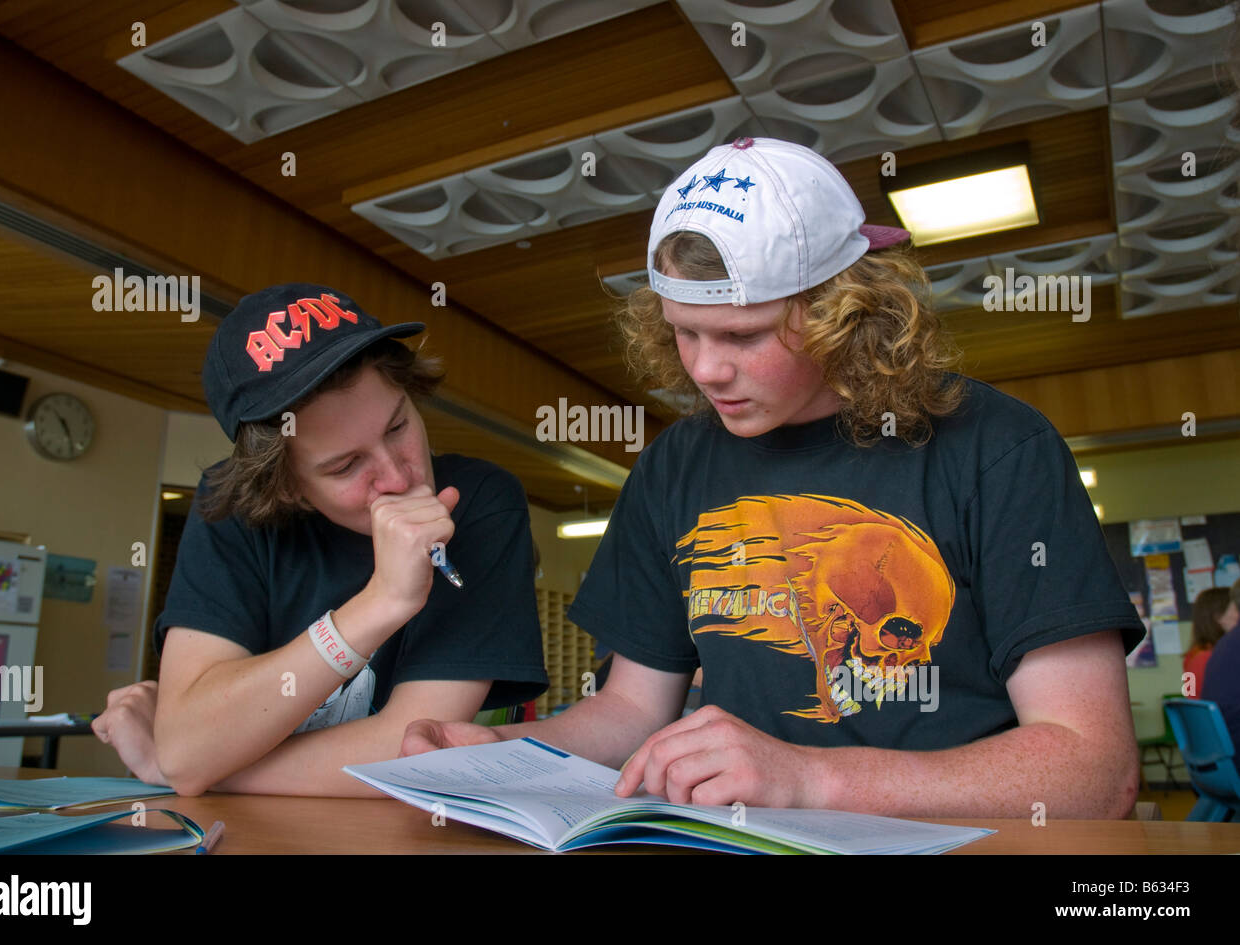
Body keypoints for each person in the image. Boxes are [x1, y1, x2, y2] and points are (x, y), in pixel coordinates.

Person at [402, 137, 1147, 819]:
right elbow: (630, 710)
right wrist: (499, 761)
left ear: (843, 314)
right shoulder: (676, 464)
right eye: (683, 330)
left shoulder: (999, 447)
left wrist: (810, 778)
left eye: (742, 335)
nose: (703, 368)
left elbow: (1095, 768)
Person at [93, 284, 548, 796]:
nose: (398, 478)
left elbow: (417, 755)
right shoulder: (230, 506)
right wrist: (382, 603)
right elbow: (188, 750)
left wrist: (195, 768)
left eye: (398, 426)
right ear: (285, 486)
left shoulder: (480, 500)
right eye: (346, 465)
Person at [1201, 578, 1240, 751]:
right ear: (1218, 617)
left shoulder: (1216, 649)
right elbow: (1190, 692)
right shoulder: (1203, 656)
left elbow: (1189, 694)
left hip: (1216, 747)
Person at [1184, 586, 1233, 696]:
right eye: (1236, 609)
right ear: (1219, 617)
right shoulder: (1209, 658)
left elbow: (1190, 696)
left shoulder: (1193, 655)